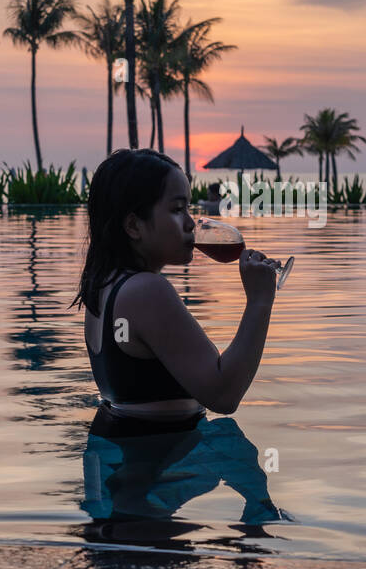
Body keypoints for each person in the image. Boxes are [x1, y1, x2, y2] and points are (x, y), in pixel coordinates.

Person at [71, 149, 281, 437]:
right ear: (133, 225)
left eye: (188, 208)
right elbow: (224, 395)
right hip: (160, 465)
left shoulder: (105, 284)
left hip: (127, 456)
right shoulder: (146, 291)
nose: (191, 223)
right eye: (176, 209)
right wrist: (259, 301)